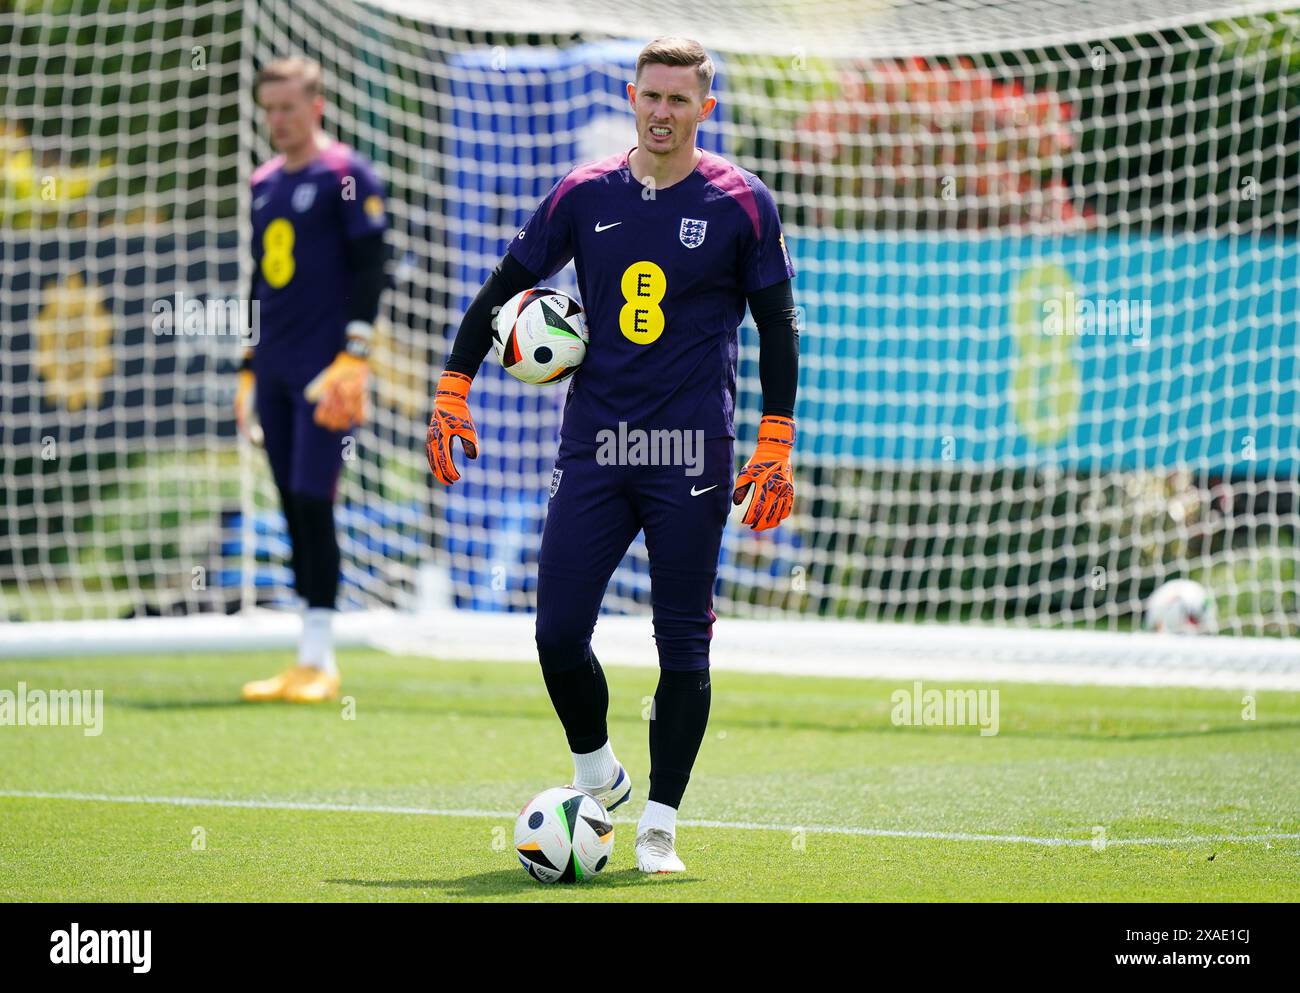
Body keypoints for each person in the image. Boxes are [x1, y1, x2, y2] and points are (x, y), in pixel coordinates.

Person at [426, 37, 799, 872]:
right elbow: (498, 291)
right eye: (651, 96)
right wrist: (455, 384)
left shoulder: (743, 201)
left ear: (708, 106)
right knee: (557, 630)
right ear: (631, 96)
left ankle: (660, 821)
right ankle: (597, 766)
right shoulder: (584, 193)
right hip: (595, 448)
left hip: (691, 453)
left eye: (681, 99)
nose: (662, 112)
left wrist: (776, 433)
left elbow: (777, 325)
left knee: (683, 646)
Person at [237, 57, 388, 703]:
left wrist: (355, 354)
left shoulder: (346, 175)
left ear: (317, 106)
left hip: (326, 369)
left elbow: (372, 266)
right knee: (289, 505)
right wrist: (247, 366)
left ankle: (321, 658)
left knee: (312, 499)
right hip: (274, 365)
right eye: (270, 108)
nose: (278, 120)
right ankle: (303, 654)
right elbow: (258, 280)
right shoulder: (263, 181)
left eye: (289, 107)